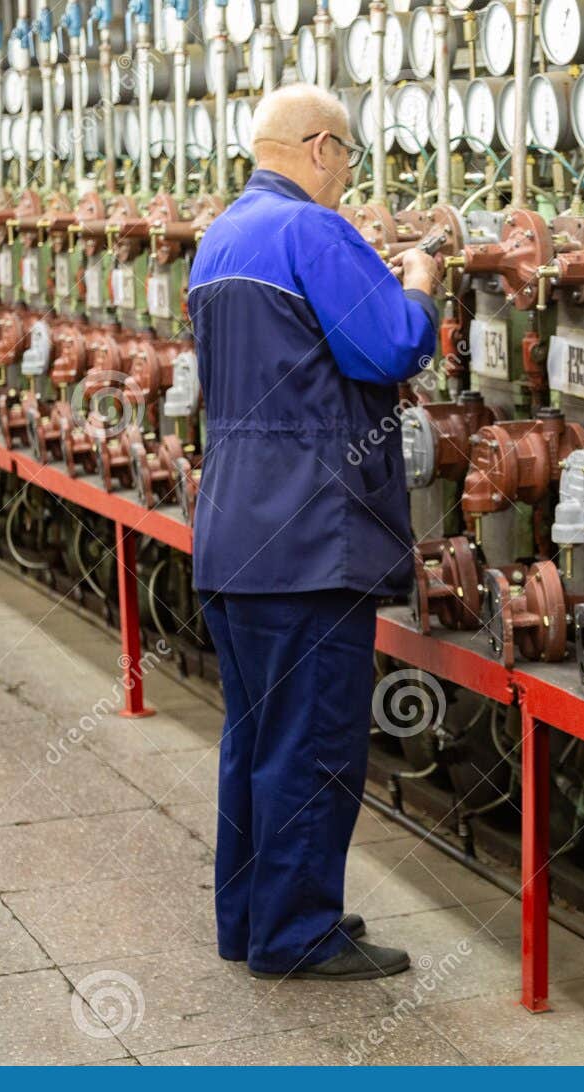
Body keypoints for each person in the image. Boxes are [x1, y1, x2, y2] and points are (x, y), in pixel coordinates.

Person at [186, 84, 441, 980]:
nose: (346, 179)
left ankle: (250, 919)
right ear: (323, 148)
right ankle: (297, 936)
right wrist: (418, 284)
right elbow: (391, 348)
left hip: (234, 530)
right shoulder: (312, 234)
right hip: (309, 540)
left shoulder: (221, 238)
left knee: (255, 740)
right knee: (317, 744)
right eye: (349, 160)